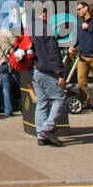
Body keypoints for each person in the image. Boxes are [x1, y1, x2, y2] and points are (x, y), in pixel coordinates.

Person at [31, 8, 66, 146]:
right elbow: (53, 51)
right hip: (47, 69)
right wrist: (60, 72)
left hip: (35, 70)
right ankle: (48, 128)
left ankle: (40, 135)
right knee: (59, 98)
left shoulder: (29, 29)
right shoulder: (46, 29)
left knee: (41, 102)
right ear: (43, 14)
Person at [72, 1, 93, 112]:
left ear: (86, 8)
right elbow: (77, 38)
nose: (78, 11)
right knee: (81, 81)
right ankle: (85, 102)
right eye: (77, 9)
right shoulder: (78, 23)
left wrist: (89, 28)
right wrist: (73, 46)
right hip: (83, 56)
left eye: (80, 9)